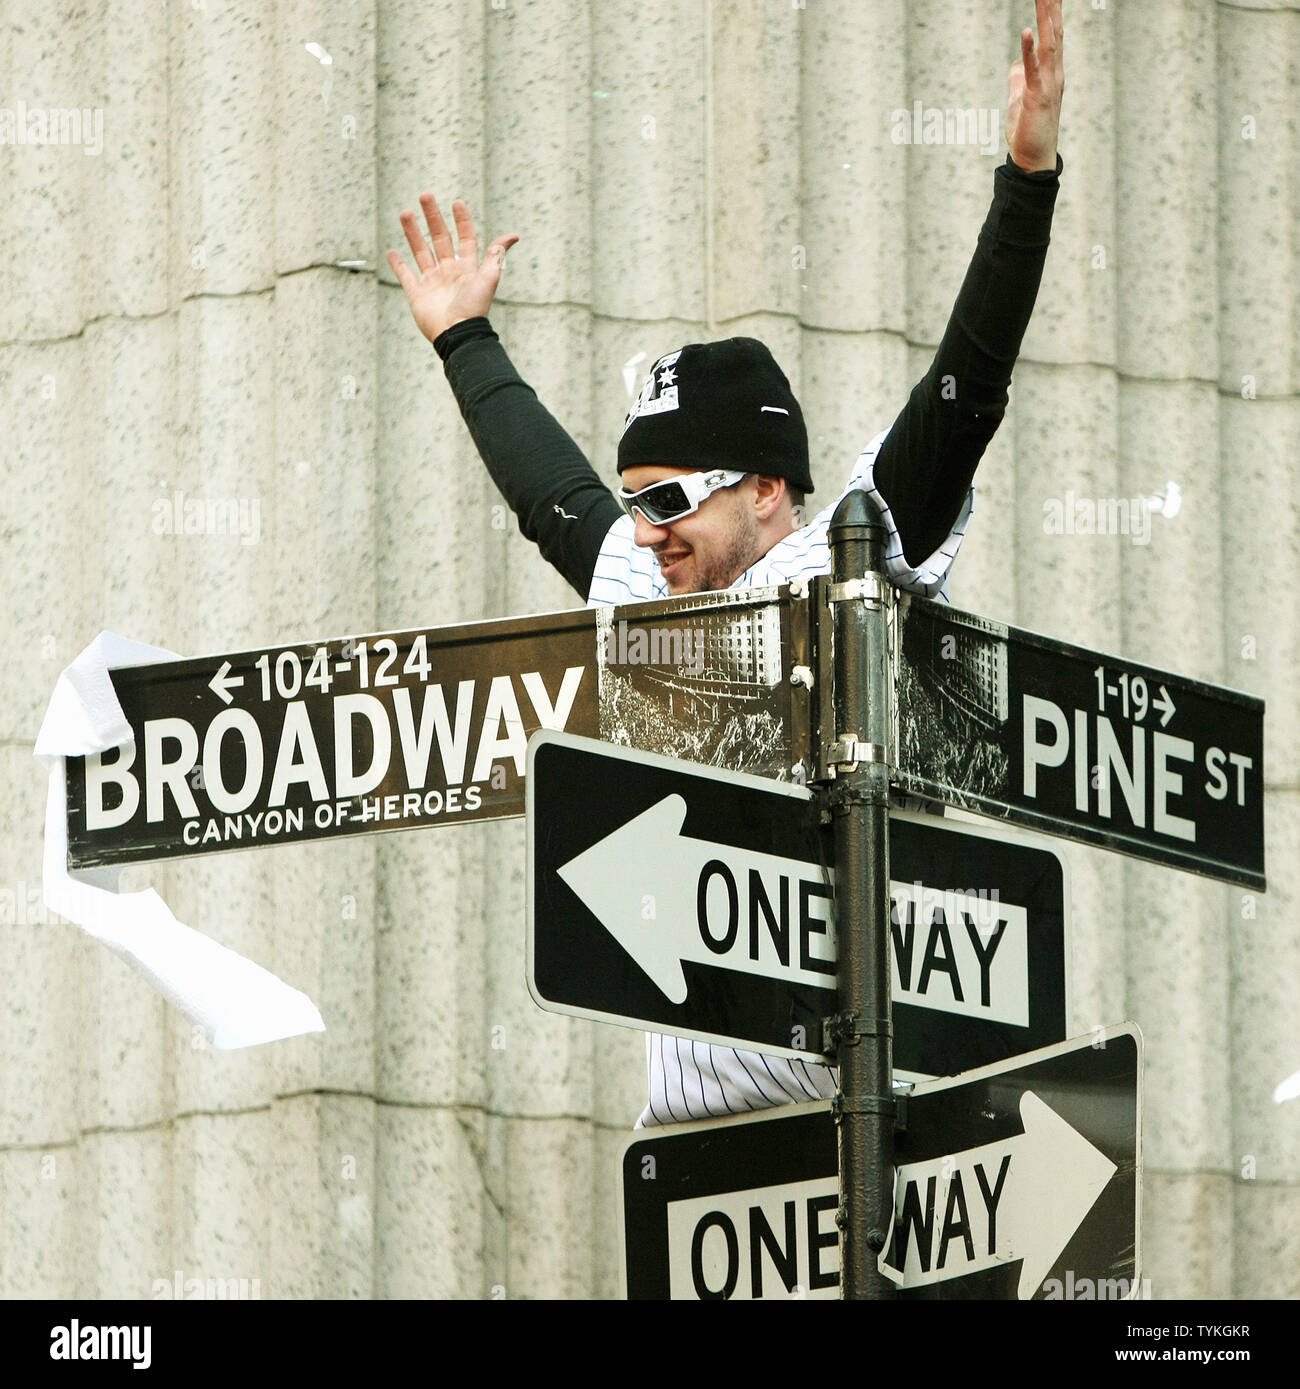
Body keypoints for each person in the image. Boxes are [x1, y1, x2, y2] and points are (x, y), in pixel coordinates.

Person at [388, 1, 1066, 1127]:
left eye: (667, 499)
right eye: (634, 500)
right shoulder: (657, 590)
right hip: (702, 1157)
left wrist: (1026, 183)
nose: (643, 530)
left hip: (859, 1125)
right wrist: (465, 340)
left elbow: (964, 393)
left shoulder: (839, 563)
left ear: (763, 486)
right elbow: (551, 498)